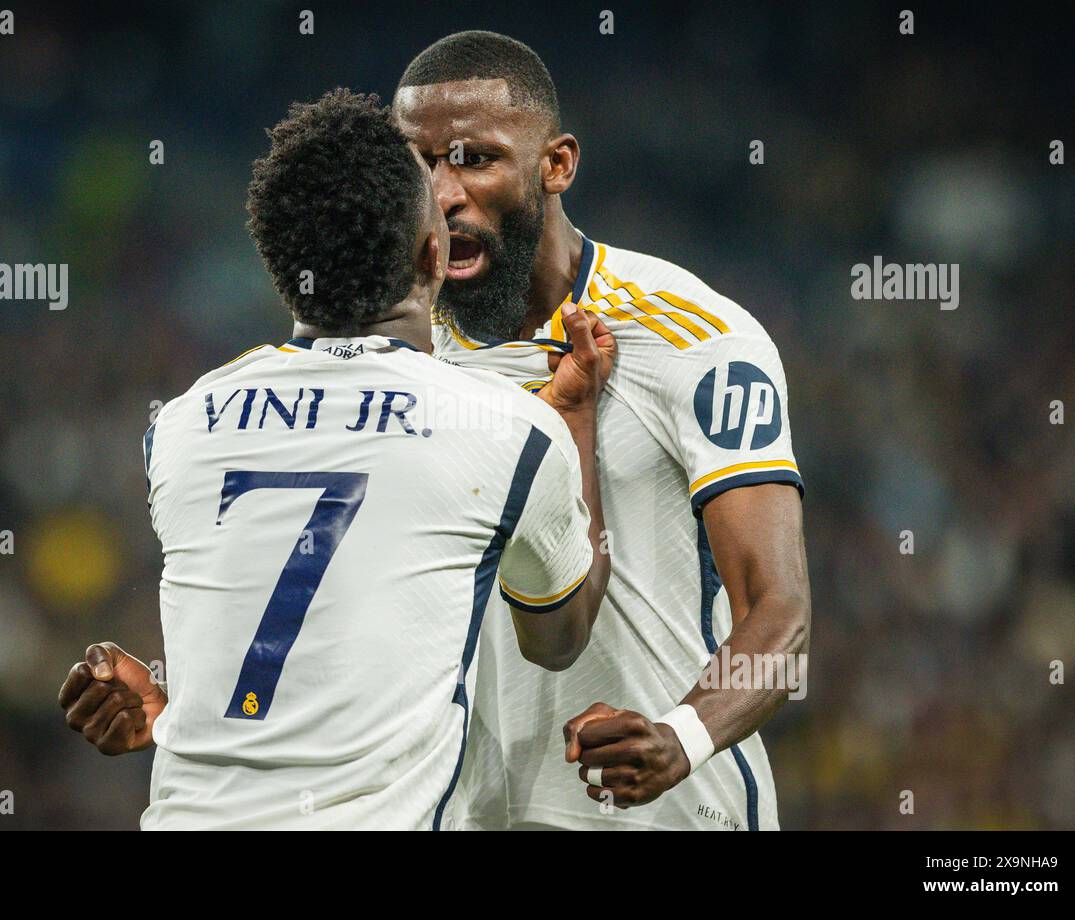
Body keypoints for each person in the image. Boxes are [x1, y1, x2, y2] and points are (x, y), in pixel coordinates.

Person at [57, 88, 614, 830]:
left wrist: (164, 704)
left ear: (280, 263)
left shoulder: (185, 423)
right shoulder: (508, 428)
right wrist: (574, 414)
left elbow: (279, 637)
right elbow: (557, 637)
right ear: (433, 254)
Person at [393, 31, 811, 830]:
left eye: (473, 158)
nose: (441, 195)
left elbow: (780, 613)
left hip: (668, 812)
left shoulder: (694, 336)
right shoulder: (393, 354)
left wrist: (681, 736)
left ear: (556, 165)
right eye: (417, 165)